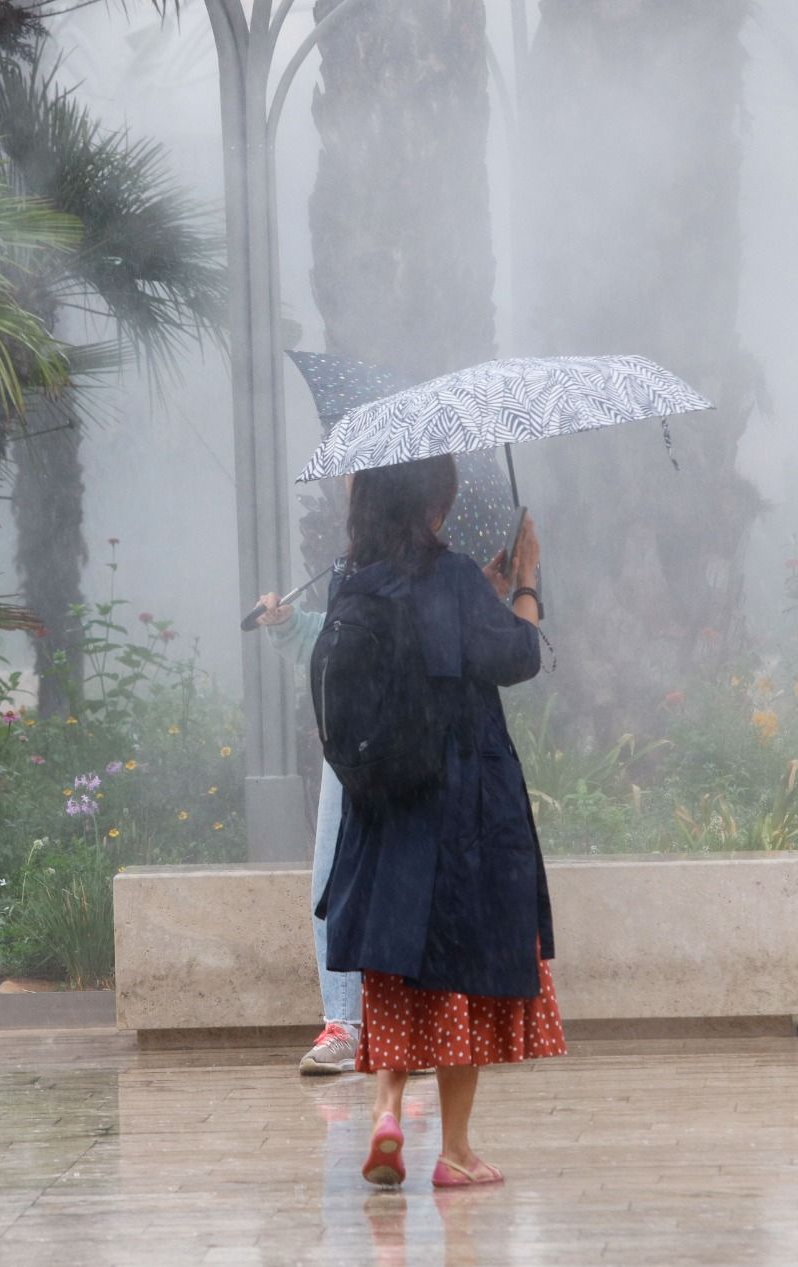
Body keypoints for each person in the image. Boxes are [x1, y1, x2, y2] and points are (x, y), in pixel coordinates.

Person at [317, 454, 565, 1189]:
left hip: (387, 804)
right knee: (464, 965)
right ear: (434, 500)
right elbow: (517, 654)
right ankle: (454, 1151)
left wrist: (477, 593)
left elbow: (420, 650)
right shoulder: (450, 574)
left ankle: (387, 1109)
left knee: (396, 964)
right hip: (461, 803)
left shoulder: (350, 581)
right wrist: (522, 581)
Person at [251, 594, 362, 1074]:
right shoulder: (356, 570)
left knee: (415, 881)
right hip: (350, 741)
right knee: (333, 884)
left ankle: (410, 1028)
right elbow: (329, 637)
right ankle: (343, 1024)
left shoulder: (438, 573)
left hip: (417, 741)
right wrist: (289, 622)